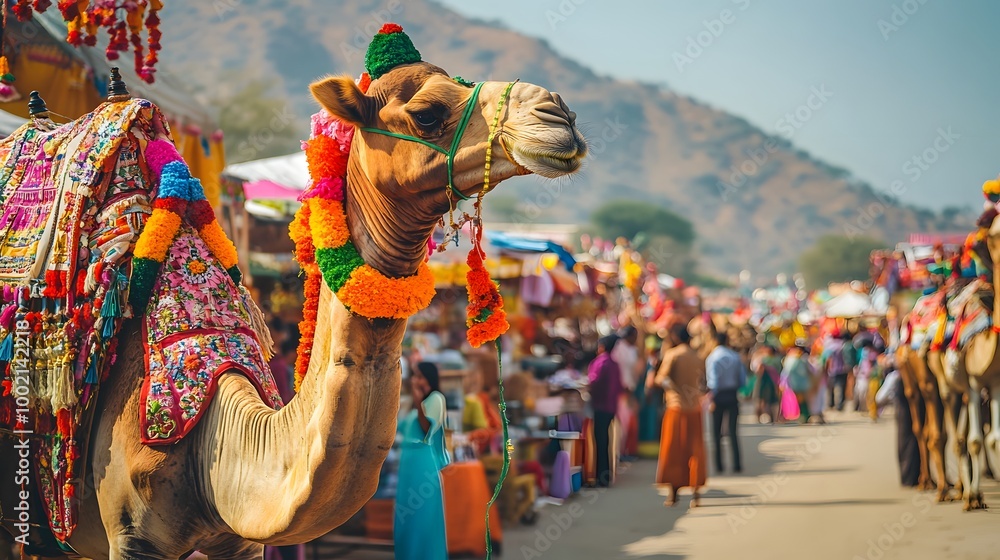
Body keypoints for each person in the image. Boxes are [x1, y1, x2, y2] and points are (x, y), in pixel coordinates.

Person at [394, 362, 449, 560]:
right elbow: (399, 428)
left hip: (424, 463)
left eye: (420, 376)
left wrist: (418, 401)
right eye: (414, 376)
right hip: (407, 462)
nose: (415, 380)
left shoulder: (436, 399)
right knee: (405, 518)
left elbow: (427, 428)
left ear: (429, 378)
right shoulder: (410, 402)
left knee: (422, 517)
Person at [651, 324, 707, 507]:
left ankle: (673, 494)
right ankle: (696, 494)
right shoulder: (698, 357)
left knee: (673, 450)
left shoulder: (673, 354)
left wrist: (671, 389)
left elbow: (660, 379)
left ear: (675, 337)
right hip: (695, 408)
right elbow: (703, 381)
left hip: (676, 407)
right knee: (695, 450)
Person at [706, 332, 745, 474]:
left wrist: (711, 399)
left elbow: (713, 381)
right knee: (733, 432)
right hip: (732, 395)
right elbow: (742, 380)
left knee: (716, 433)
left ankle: (719, 465)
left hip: (718, 396)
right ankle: (737, 465)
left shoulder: (713, 357)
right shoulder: (735, 356)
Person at [588, 334, 623, 487]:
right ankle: (605, 476)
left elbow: (594, 382)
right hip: (611, 407)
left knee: (600, 441)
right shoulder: (614, 364)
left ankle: (600, 477)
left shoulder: (601, 362)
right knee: (605, 441)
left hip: (600, 406)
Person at [750, 344, 782, 424]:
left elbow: (756, 370)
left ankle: (761, 417)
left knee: (760, 400)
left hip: (763, 381)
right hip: (771, 382)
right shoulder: (777, 360)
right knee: (771, 401)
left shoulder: (761, 359)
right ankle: (773, 418)